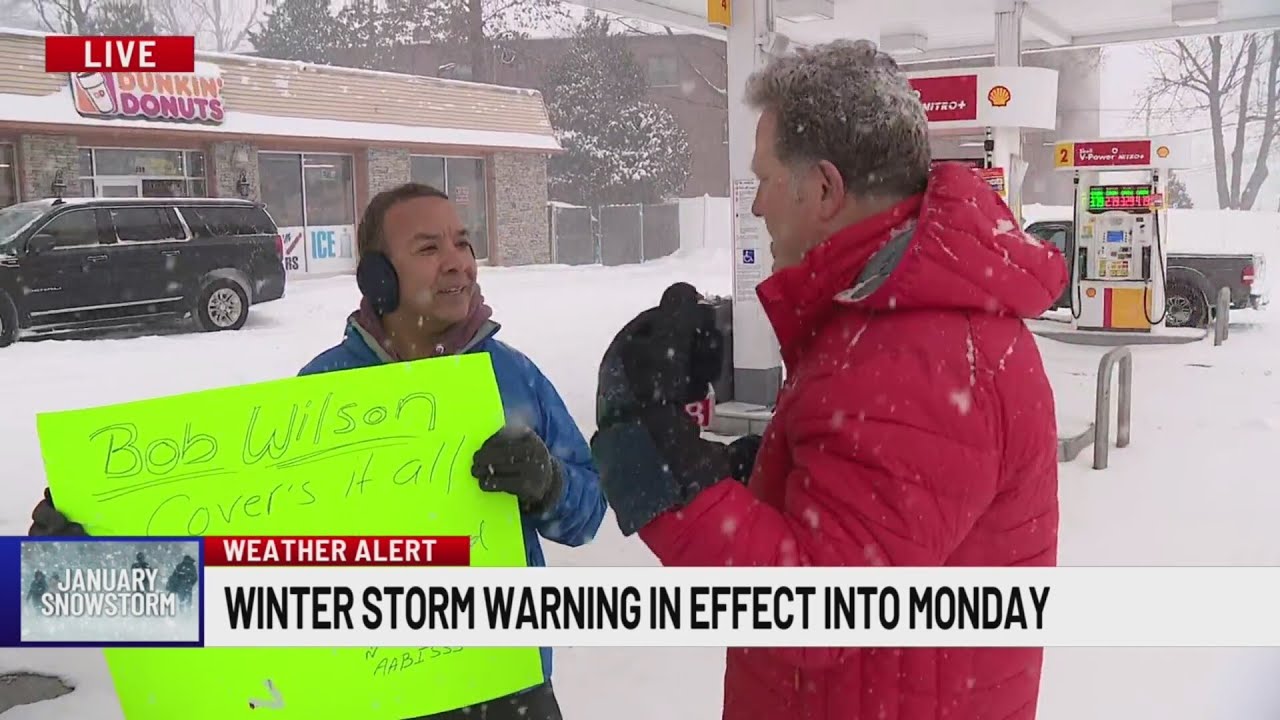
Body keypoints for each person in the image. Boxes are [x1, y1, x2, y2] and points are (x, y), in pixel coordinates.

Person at [590, 40, 1067, 720]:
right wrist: (750, 471)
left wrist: (663, 473)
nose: (756, 205)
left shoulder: (912, 352)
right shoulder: (894, 316)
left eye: (765, 178)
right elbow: (871, 524)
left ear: (823, 189)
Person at [29, 182, 608, 720]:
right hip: (363, 692)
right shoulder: (321, 396)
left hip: (504, 687)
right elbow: (250, 546)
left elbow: (587, 514)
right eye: (429, 247)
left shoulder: (513, 377)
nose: (457, 260)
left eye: (462, 242)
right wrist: (91, 557)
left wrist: (549, 483)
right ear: (379, 277)